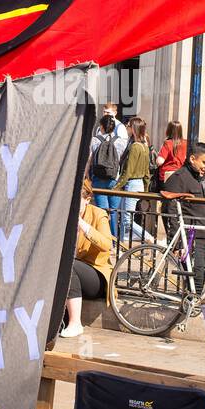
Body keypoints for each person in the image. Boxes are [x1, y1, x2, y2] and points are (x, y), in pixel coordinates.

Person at [161, 141, 205, 295]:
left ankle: (190, 305)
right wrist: (177, 242)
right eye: (204, 162)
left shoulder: (203, 178)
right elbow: (170, 212)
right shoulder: (179, 178)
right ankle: (191, 306)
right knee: (196, 279)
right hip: (191, 237)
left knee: (200, 277)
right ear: (193, 159)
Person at [61, 180, 114, 338]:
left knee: (69, 266)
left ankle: (76, 322)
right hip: (74, 273)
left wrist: (84, 226)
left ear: (88, 199)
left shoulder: (98, 214)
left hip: (97, 275)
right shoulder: (65, 216)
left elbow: (107, 245)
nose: (73, 206)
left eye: (77, 202)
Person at [112, 116, 151, 242]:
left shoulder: (135, 147)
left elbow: (128, 171)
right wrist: (145, 190)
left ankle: (150, 238)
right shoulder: (144, 146)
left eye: (128, 126)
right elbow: (146, 173)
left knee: (127, 219)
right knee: (125, 217)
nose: (127, 128)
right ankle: (121, 243)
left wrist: (116, 187)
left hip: (132, 184)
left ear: (133, 129)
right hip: (137, 184)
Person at [88, 112, 126, 224]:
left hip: (98, 178)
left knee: (102, 212)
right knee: (113, 212)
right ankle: (113, 241)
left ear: (101, 126)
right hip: (114, 178)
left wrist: (86, 175)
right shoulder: (121, 142)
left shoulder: (94, 140)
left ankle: (103, 239)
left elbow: (89, 160)